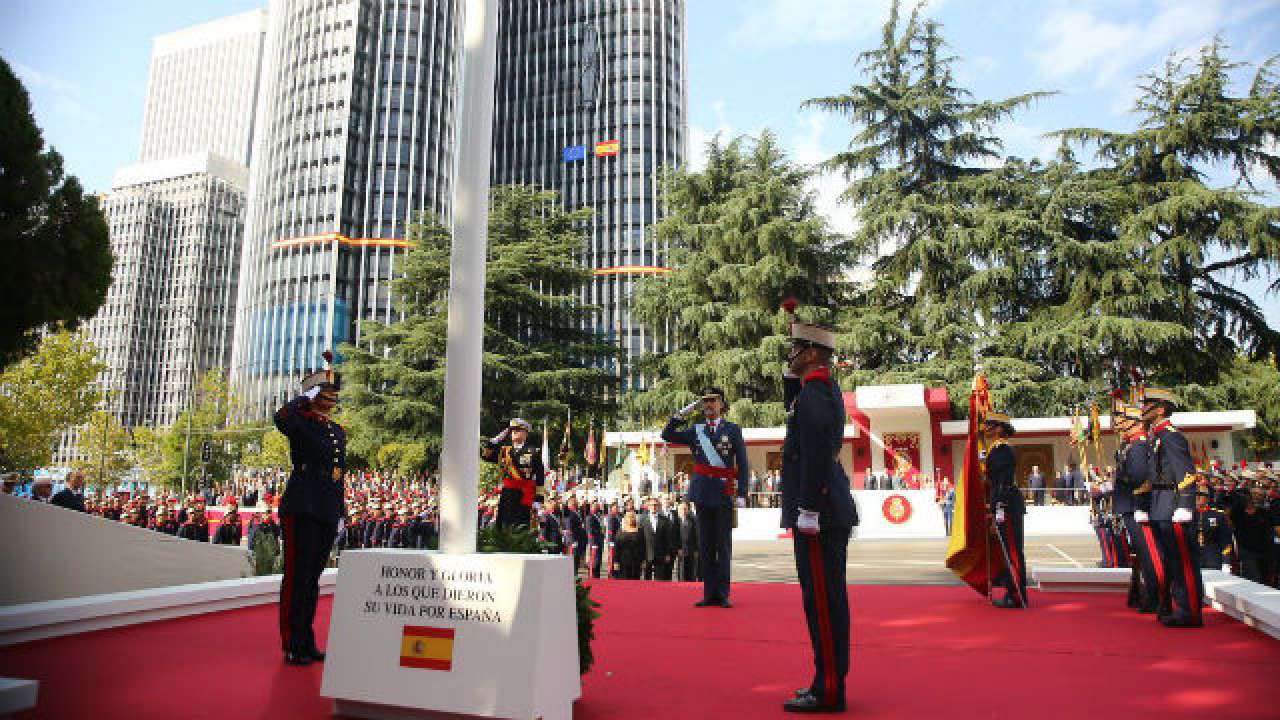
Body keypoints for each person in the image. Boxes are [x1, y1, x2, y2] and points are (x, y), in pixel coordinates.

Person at [779, 319, 857, 714]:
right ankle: (828, 680)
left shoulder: (815, 396)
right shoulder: (820, 391)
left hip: (819, 512)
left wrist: (807, 507)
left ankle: (828, 688)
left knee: (822, 602)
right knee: (825, 599)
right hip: (826, 508)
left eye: (795, 349)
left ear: (810, 353)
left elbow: (809, 456)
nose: (789, 356)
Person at [274, 358, 347, 665]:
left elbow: (339, 471)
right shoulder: (299, 421)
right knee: (297, 576)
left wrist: (341, 510)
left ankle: (307, 640)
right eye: (324, 392)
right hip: (303, 503)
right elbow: (281, 418)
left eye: (333, 392)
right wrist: (305, 394)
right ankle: (292, 642)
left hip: (326, 506)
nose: (330, 398)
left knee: (313, 576)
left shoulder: (338, 431)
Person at [661, 387, 750, 608]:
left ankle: (723, 593)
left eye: (713, 400)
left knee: (723, 545)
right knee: (706, 546)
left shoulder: (733, 429)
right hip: (701, 493)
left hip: (723, 493)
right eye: (705, 401)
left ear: (722, 404)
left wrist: (742, 493)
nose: (709, 405)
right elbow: (667, 435)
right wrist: (682, 413)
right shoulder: (696, 430)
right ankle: (709, 593)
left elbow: (743, 462)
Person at [1143, 387, 1202, 628]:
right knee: (1172, 560)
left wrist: (1186, 503)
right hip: (1160, 503)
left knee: (1183, 561)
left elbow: (1186, 472)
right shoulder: (1156, 436)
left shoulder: (1170, 436)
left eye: (1148, 405)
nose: (1143, 409)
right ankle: (1179, 606)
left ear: (1160, 409)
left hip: (1173, 503)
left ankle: (1190, 612)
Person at [1114, 403, 1160, 614]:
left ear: (1135, 422)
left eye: (1124, 419)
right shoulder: (1130, 444)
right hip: (1130, 504)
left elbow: (1139, 476)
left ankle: (1154, 597)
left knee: (1147, 552)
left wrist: (1123, 478)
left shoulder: (1139, 444)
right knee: (1141, 553)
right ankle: (1144, 592)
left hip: (1136, 504)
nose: (1120, 423)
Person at [984, 411, 1026, 609]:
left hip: (1006, 503)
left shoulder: (1001, 449)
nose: (986, 428)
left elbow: (1002, 482)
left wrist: (998, 505)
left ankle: (1016, 594)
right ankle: (1013, 589)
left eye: (990, 425)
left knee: (1012, 551)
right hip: (1005, 502)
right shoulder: (996, 448)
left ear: (1000, 428)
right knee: (1008, 550)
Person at [481, 418, 545, 528]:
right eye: (512, 430)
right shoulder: (504, 451)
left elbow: (540, 476)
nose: (514, 432)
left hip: (523, 494)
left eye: (518, 430)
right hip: (507, 494)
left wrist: (538, 500)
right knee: (504, 525)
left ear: (525, 434)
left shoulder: (533, 451)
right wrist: (493, 442)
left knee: (521, 526)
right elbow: (485, 456)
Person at [641, 496, 679, 581]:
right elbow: (641, 539)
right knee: (647, 579)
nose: (654, 507)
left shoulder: (664, 520)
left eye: (656, 505)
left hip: (661, 555)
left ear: (658, 506)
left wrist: (667, 553)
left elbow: (667, 539)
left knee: (660, 579)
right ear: (648, 506)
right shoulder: (643, 520)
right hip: (647, 554)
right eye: (652, 505)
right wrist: (641, 556)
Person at [1198, 492, 1234, 572]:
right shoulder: (1187, 514)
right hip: (1192, 556)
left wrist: (1226, 561)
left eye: (1201, 495)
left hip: (1212, 555)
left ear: (1207, 498)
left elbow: (1225, 539)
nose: (1198, 498)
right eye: (1196, 495)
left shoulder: (1218, 515)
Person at [613, 510, 644, 580]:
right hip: (623, 563)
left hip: (636, 563)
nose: (630, 519)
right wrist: (616, 562)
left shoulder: (640, 531)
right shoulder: (620, 531)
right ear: (625, 519)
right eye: (628, 517)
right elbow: (616, 548)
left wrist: (643, 561)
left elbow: (642, 547)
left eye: (632, 517)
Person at [677, 500, 700, 582]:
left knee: (692, 573)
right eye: (682, 509)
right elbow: (675, 537)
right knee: (682, 574)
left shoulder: (693, 521)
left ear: (688, 510)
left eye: (685, 509)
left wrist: (697, 550)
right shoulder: (676, 521)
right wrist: (678, 548)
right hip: (681, 551)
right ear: (679, 510)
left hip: (691, 550)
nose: (683, 511)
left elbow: (697, 536)